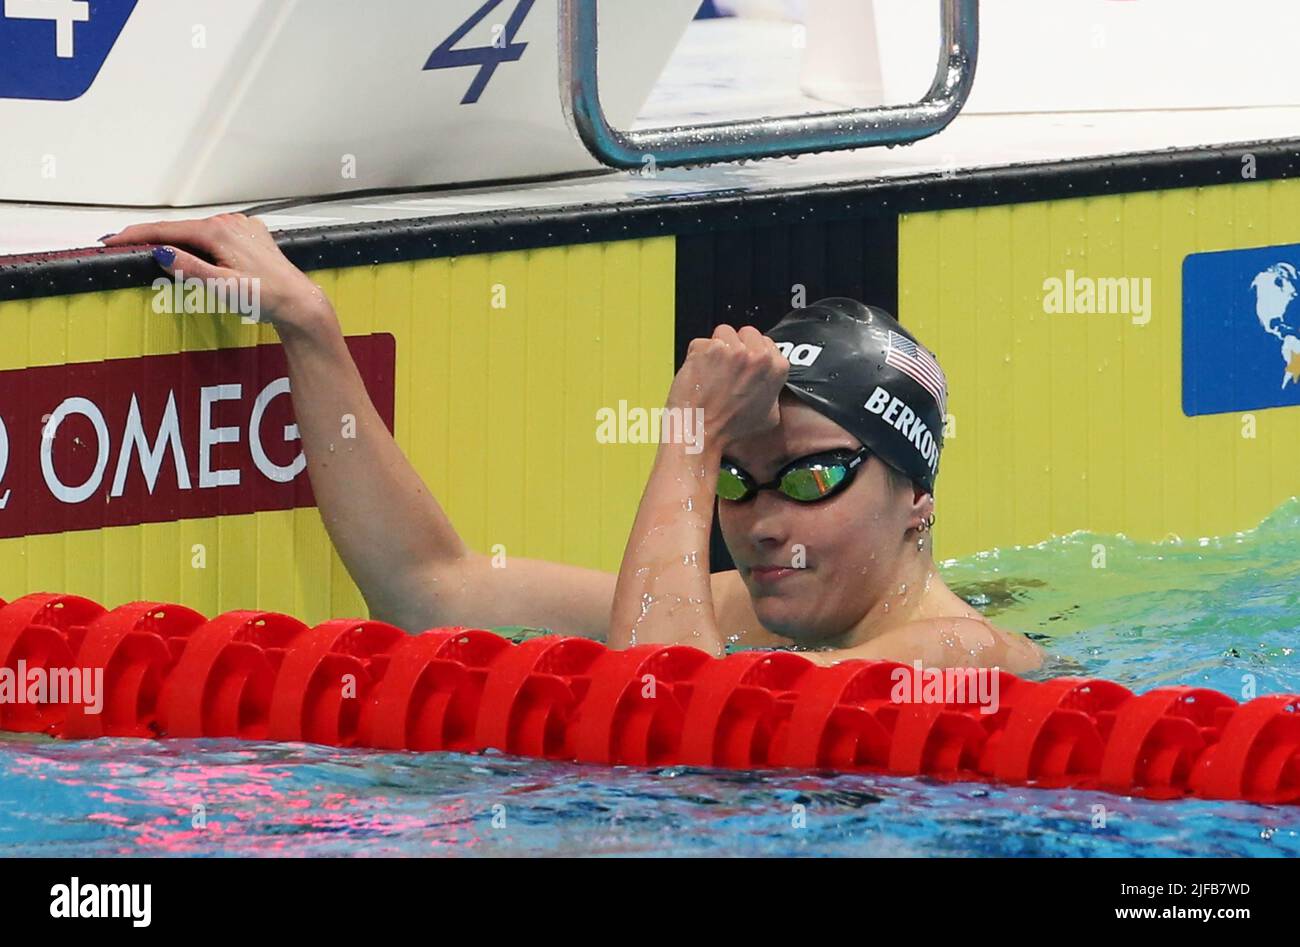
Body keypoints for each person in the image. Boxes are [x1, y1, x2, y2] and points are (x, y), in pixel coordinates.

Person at [101, 214, 1042, 673]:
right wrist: (310, 329)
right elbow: (432, 591)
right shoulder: (750, 621)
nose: (763, 523)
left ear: (917, 488)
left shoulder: (959, 654)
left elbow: (668, 706)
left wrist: (691, 434)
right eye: (740, 481)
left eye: (814, 474)